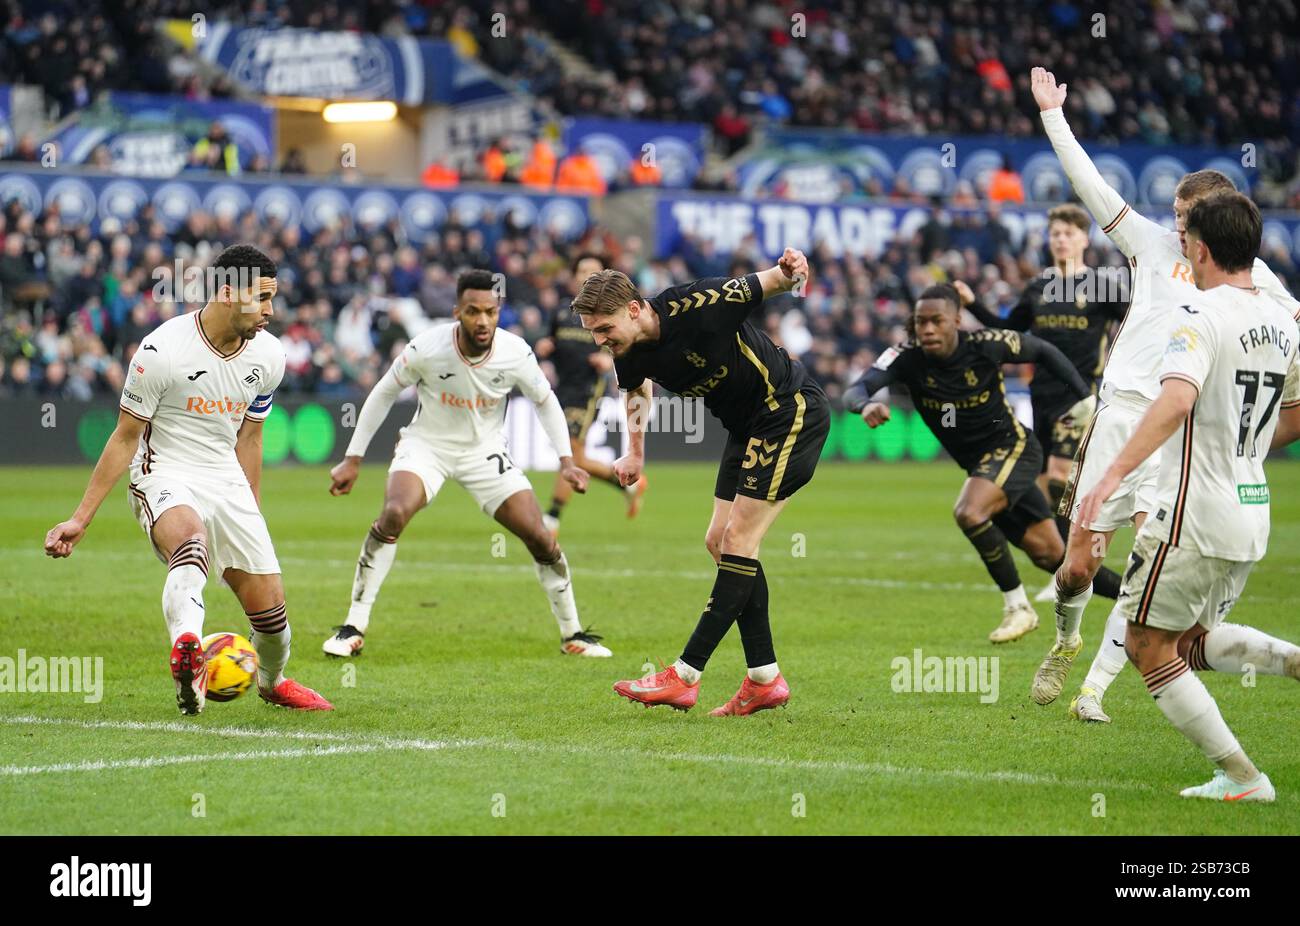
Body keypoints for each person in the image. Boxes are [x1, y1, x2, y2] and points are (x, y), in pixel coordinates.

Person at [1026, 67, 1300, 718]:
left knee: (1148, 563)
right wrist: (1053, 117)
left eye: (1187, 217)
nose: (1176, 227)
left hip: (1176, 434)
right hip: (1118, 418)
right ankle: (1066, 640)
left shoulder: (1250, 274)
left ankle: (1093, 692)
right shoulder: (1149, 244)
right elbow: (1091, 188)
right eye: (1174, 216)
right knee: (1079, 569)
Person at [43, 244, 332, 714]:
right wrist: (81, 518)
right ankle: (188, 652)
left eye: (272, 298)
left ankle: (273, 682)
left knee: (273, 621)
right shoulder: (161, 352)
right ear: (225, 293)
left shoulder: (269, 357)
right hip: (164, 471)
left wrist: (250, 510)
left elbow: (251, 439)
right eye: (261, 298)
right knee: (191, 544)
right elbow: (124, 437)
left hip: (224, 475)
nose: (271, 311)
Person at [1077, 192, 1300, 800]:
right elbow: (1297, 413)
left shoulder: (1199, 317)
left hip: (1193, 514)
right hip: (1252, 508)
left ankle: (1242, 777)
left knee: (1149, 644)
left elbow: (1175, 401)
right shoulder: (1284, 320)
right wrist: (1241, 447)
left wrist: (1108, 476)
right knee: (1191, 643)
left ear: (1198, 247)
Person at [573, 250, 828, 715]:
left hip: (787, 410)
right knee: (719, 542)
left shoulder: (699, 303)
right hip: (745, 426)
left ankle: (686, 674)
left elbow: (775, 281)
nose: (601, 340)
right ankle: (764, 679)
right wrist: (634, 452)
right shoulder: (628, 349)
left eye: (605, 329)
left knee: (738, 540)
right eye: (594, 333)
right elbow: (635, 390)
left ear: (633, 309)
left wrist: (793, 269)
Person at [323, 270, 611, 659]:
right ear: (457, 311)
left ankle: (573, 634)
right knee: (394, 513)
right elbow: (384, 391)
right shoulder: (426, 348)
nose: (482, 320)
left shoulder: (515, 352)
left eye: (490, 312)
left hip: (485, 452)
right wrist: (352, 458)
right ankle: (353, 627)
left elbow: (544, 401)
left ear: (498, 311)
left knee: (541, 537)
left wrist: (566, 461)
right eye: (473, 311)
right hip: (427, 446)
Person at [844, 284, 1121, 643]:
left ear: (956, 320)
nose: (927, 329)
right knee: (1055, 557)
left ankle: (1017, 608)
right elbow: (857, 389)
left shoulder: (985, 343)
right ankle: (1138, 597)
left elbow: (1044, 350)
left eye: (936, 321)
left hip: (1014, 448)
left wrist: (1084, 397)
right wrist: (865, 405)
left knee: (969, 512)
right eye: (920, 322)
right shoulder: (905, 356)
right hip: (982, 467)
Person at [959, 203, 1128, 548]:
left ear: (1085, 239)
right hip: (1042, 393)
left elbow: (1136, 323)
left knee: (1058, 476)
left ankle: (1068, 561)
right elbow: (1007, 330)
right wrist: (972, 302)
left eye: (1069, 233)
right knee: (1040, 484)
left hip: (1081, 394)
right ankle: (1064, 555)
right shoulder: (1038, 287)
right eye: (1056, 234)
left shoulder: (1103, 285)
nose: (1061, 240)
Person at [536, 253, 648, 536]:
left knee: (570, 452)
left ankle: (552, 517)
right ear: (573, 276)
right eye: (581, 270)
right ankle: (629, 482)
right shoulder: (562, 311)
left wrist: (607, 361)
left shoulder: (611, 311)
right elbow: (551, 341)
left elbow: (627, 347)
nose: (586, 275)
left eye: (592, 271)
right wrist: (546, 347)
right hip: (561, 389)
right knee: (575, 456)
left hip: (588, 391)